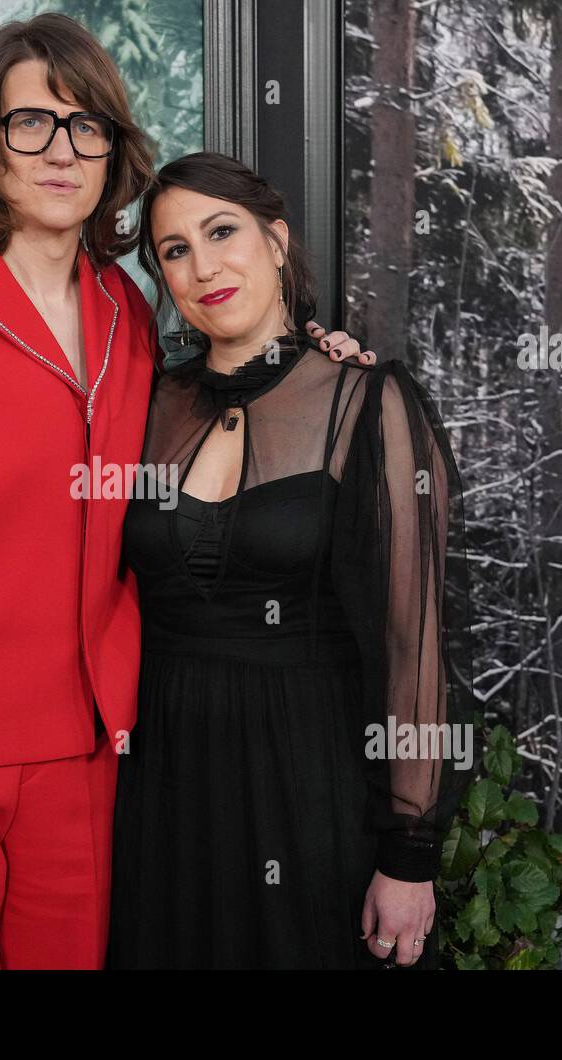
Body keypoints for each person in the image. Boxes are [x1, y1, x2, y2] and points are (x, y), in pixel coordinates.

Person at [0, 15, 366, 969]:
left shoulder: (128, 313)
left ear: (112, 145)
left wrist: (309, 363)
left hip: (91, 763)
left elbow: (213, 407)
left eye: (85, 125)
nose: (61, 151)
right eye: (32, 123)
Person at [107, 152, 474, 969]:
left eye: (221, 231)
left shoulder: (368, 401)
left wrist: (408, 854)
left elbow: (413, 640)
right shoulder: (142, 403)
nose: (203, 267)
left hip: (310, 783)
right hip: (162, 786)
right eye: (173, 250)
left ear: (276, 241)